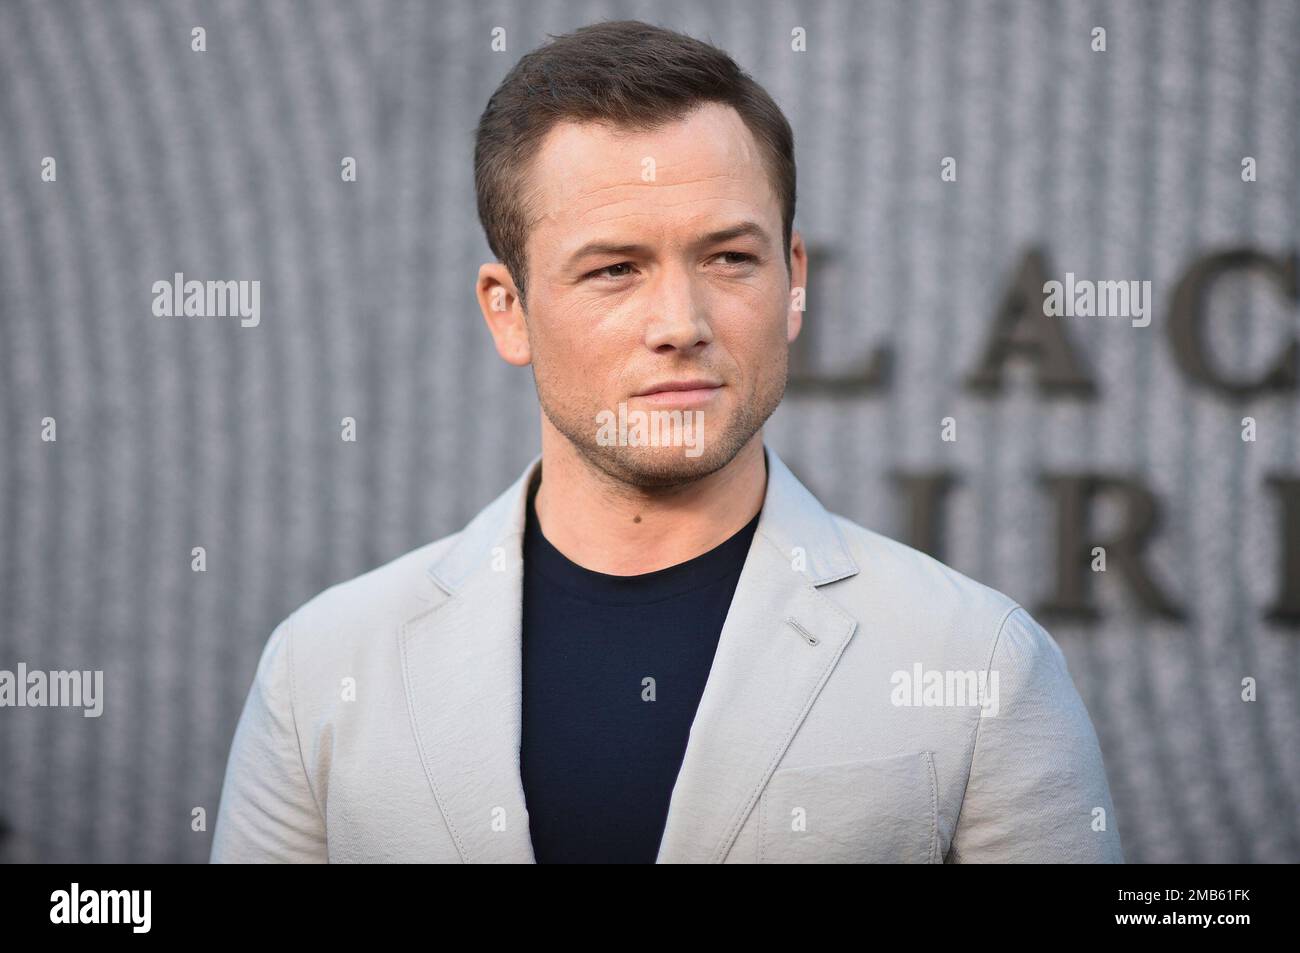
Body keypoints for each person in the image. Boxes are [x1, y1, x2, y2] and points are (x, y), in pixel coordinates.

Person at [210, 19, 1123, 864]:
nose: (680, 323)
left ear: (793, 279)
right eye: (614, 269)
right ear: (509, 310)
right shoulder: (324, 669)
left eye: (730, 257)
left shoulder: (978, 662)